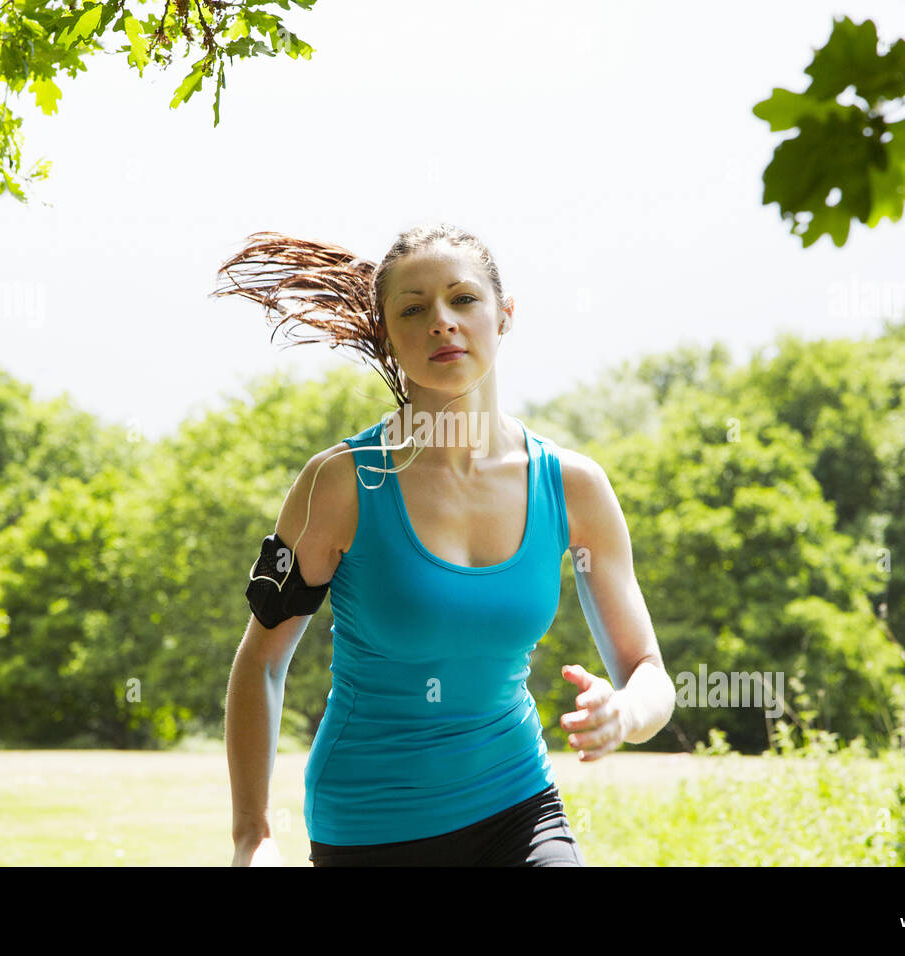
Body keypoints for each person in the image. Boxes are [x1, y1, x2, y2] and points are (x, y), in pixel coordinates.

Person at [219, 223, 676, 867]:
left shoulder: (572, 486)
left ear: (504, 314)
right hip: (371, 825)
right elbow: (263, 660)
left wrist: (624, 713)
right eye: (413, 309)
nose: (442, 322)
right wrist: (253, 835)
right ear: (386, 334)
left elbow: (648, 672)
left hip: (517, 806)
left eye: (463, 299)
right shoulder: (343, 484)